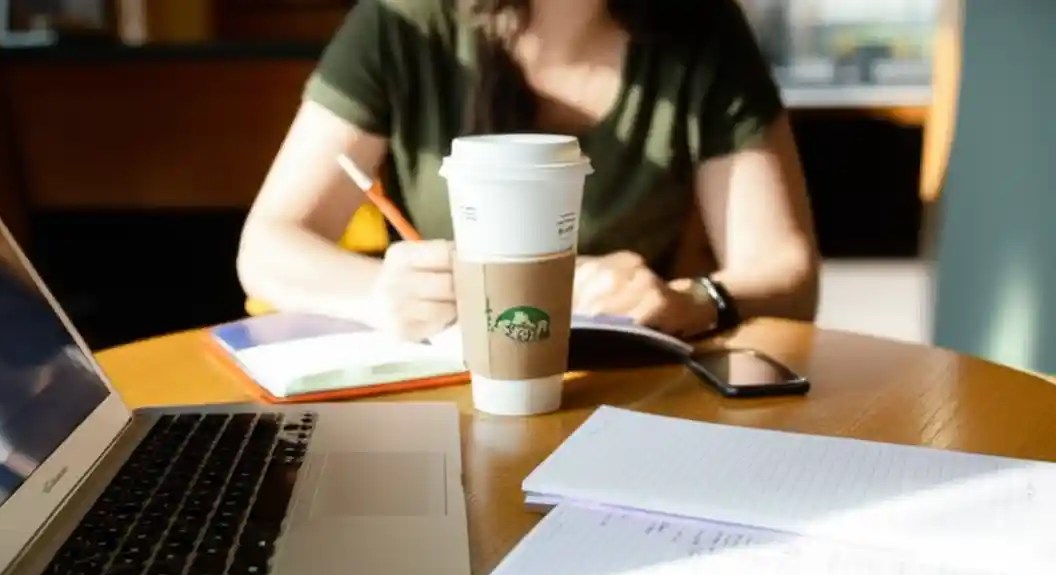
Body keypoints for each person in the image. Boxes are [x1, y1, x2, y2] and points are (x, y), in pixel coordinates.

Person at [237, 0, 819, 341]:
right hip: (445, 393)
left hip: (629, 398)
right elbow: (267, 247)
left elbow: (787, 271)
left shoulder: (702, 26)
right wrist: (379, 294)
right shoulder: (403, 21)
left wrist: (688, 301)